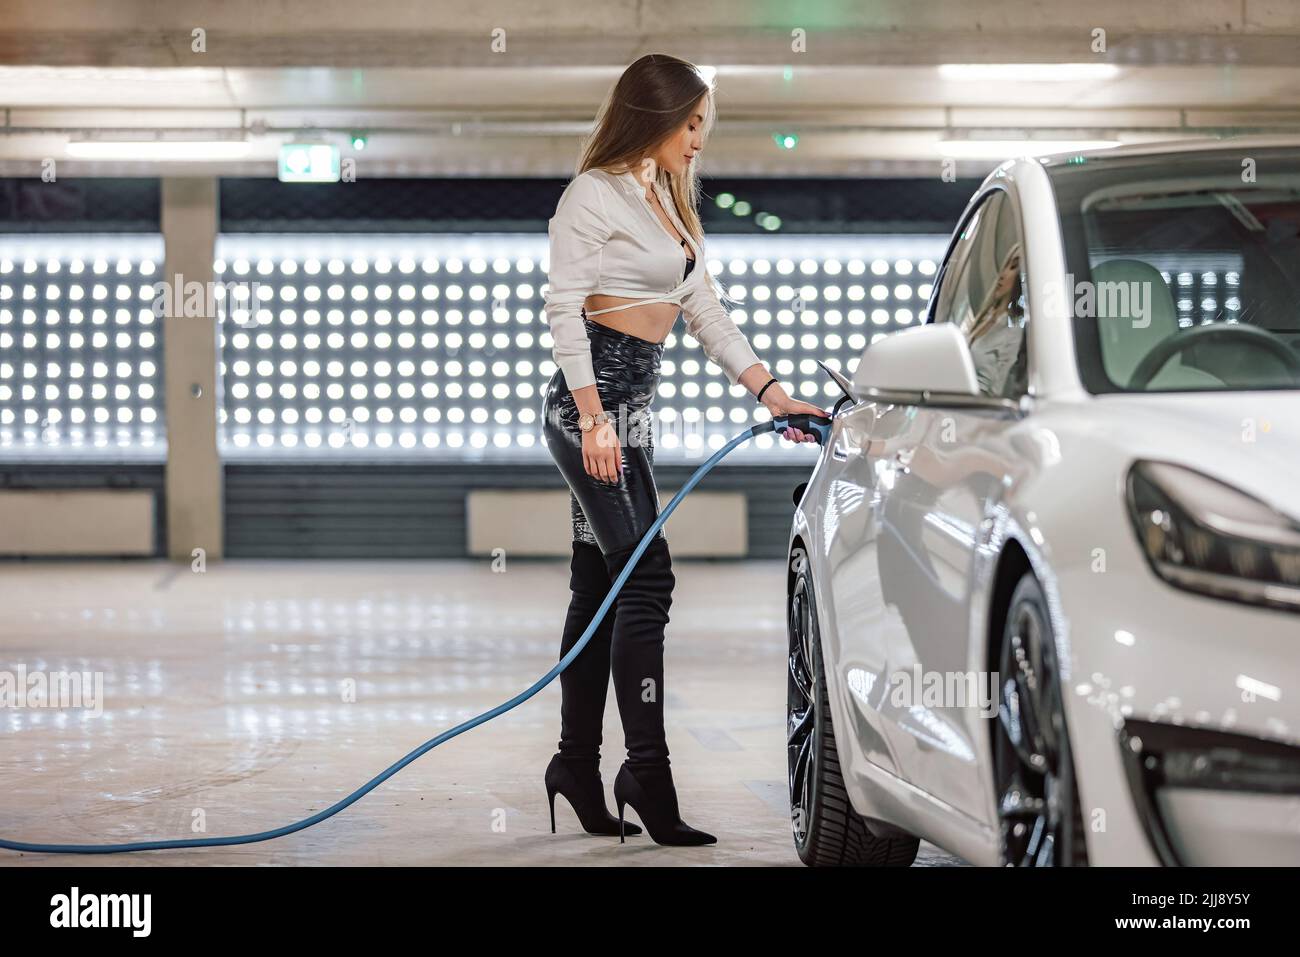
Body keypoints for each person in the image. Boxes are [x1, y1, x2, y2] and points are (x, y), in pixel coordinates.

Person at [539, 53, 828, 846]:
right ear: (655, 117)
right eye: (691, 123)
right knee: (648, 575)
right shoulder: (592, 195)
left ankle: (573, 761)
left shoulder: (665, 200)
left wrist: (772, 392)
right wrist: (596, 419)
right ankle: (649, 775)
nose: (700, 139)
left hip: (632, 406)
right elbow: (565, 309)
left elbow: (704, 308)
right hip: (589, 409)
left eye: (704, 124)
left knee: (599, 583)